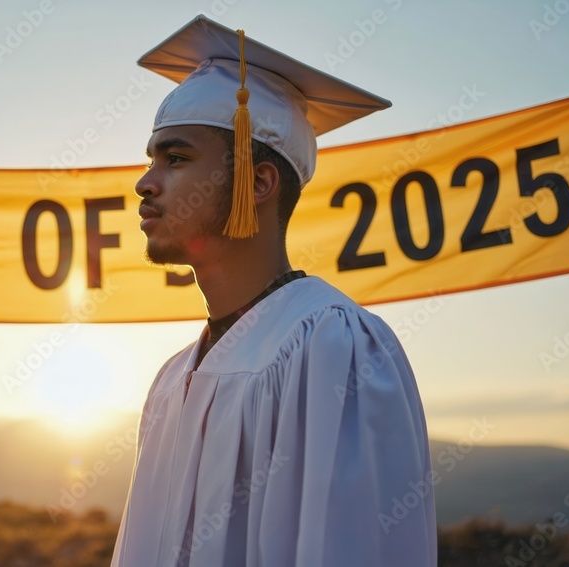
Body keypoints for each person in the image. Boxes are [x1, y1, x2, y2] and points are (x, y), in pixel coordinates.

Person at [111, 15, 437, 566]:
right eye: (150, 159)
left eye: (177, 158)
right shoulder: (171, 380)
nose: (144, 182)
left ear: (257, 183)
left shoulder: (334, 348)